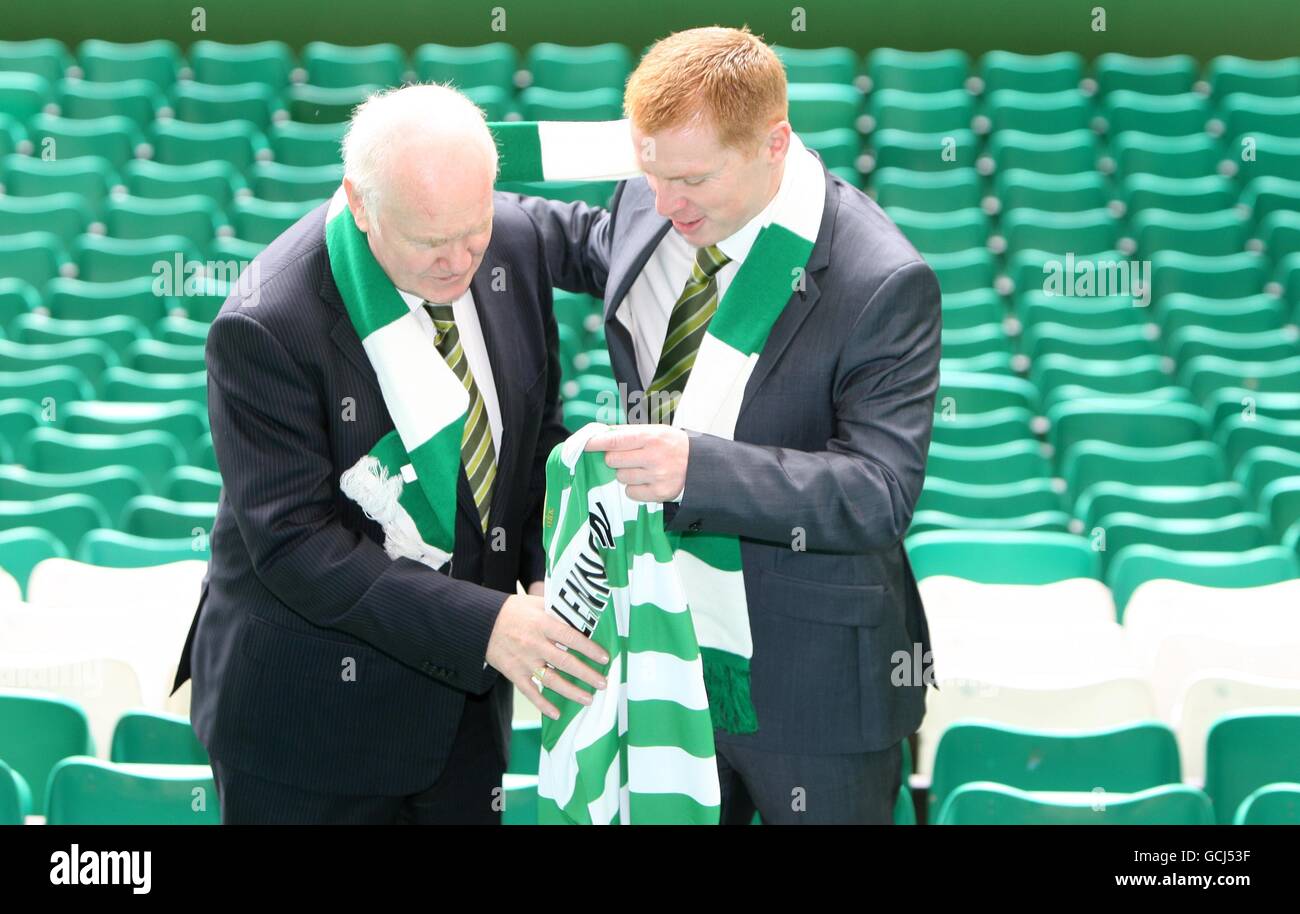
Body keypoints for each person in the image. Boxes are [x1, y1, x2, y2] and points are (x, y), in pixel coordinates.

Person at [518, 26, 941, 824]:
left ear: (775, 144)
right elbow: (581, 242)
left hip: (812, 686)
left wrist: (695, 471)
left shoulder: (882, 281)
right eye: (651, 174)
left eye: (692, 181)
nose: (666, 202)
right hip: (660, 641)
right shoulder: (655, 197)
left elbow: (879, 492)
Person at [171, 84, 607, 824]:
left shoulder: (509, 240)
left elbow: (532, 438)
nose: (457, 262)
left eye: (472, 232)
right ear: (361, 203)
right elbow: (297, 547)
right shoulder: (265, 325)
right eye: (429, 242)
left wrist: (539, 567)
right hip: (310, 732)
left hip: (465, 720)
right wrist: (487, 625)